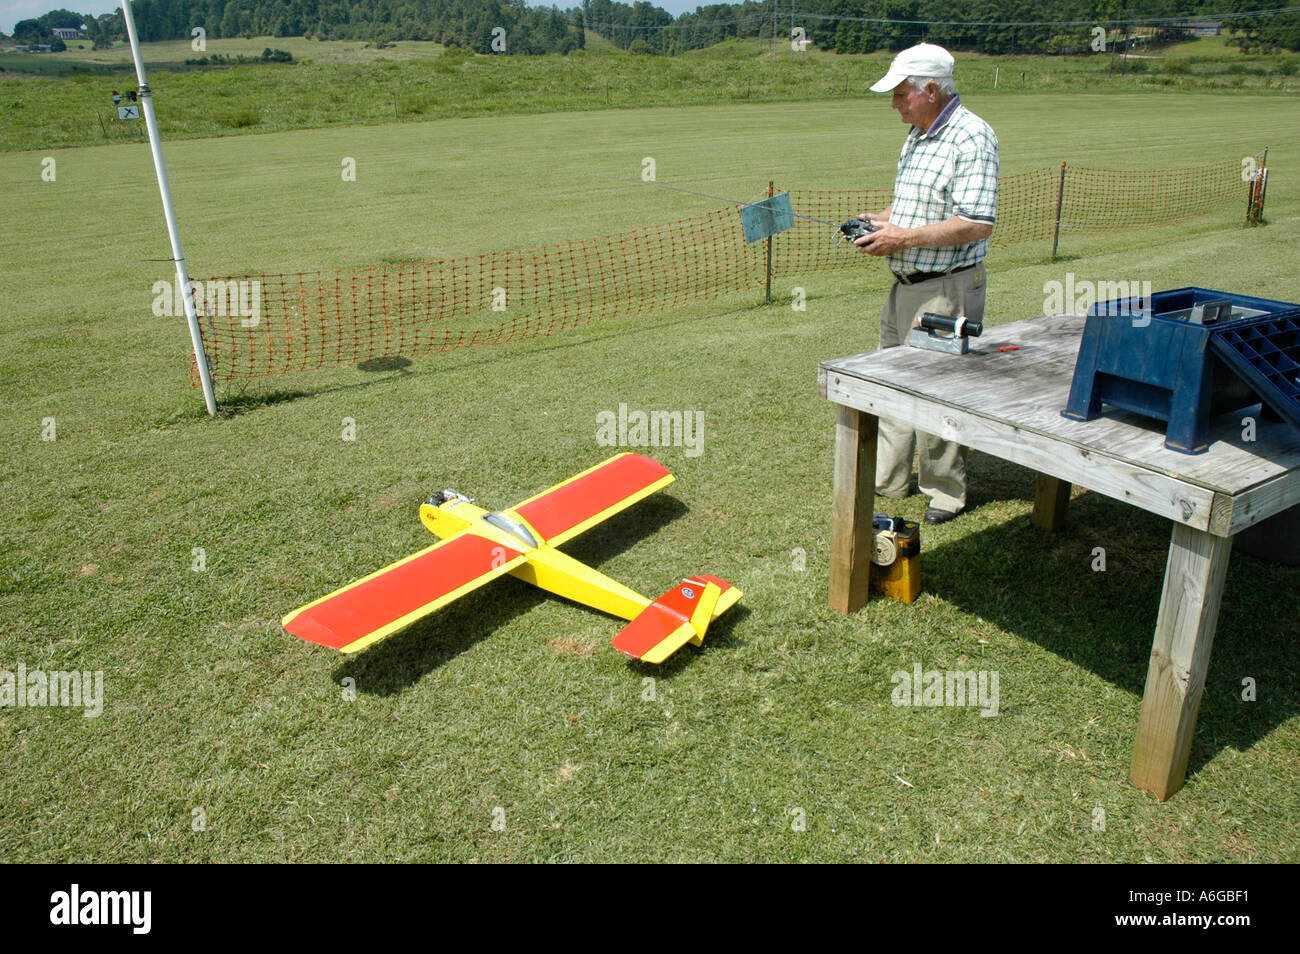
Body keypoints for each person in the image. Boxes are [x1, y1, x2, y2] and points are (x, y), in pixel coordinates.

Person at [853, 43, 998, 525]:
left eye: (900, 94)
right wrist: (880, 219)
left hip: (946, 287)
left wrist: (901, 237)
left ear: (930, 90)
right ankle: (891, 480)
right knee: (891, 381)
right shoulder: (917, 134)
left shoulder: (972, 138)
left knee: (938, 390)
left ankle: (946, 490)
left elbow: (976, 222)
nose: (894, 103)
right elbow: (913, 203)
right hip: (904, 281)